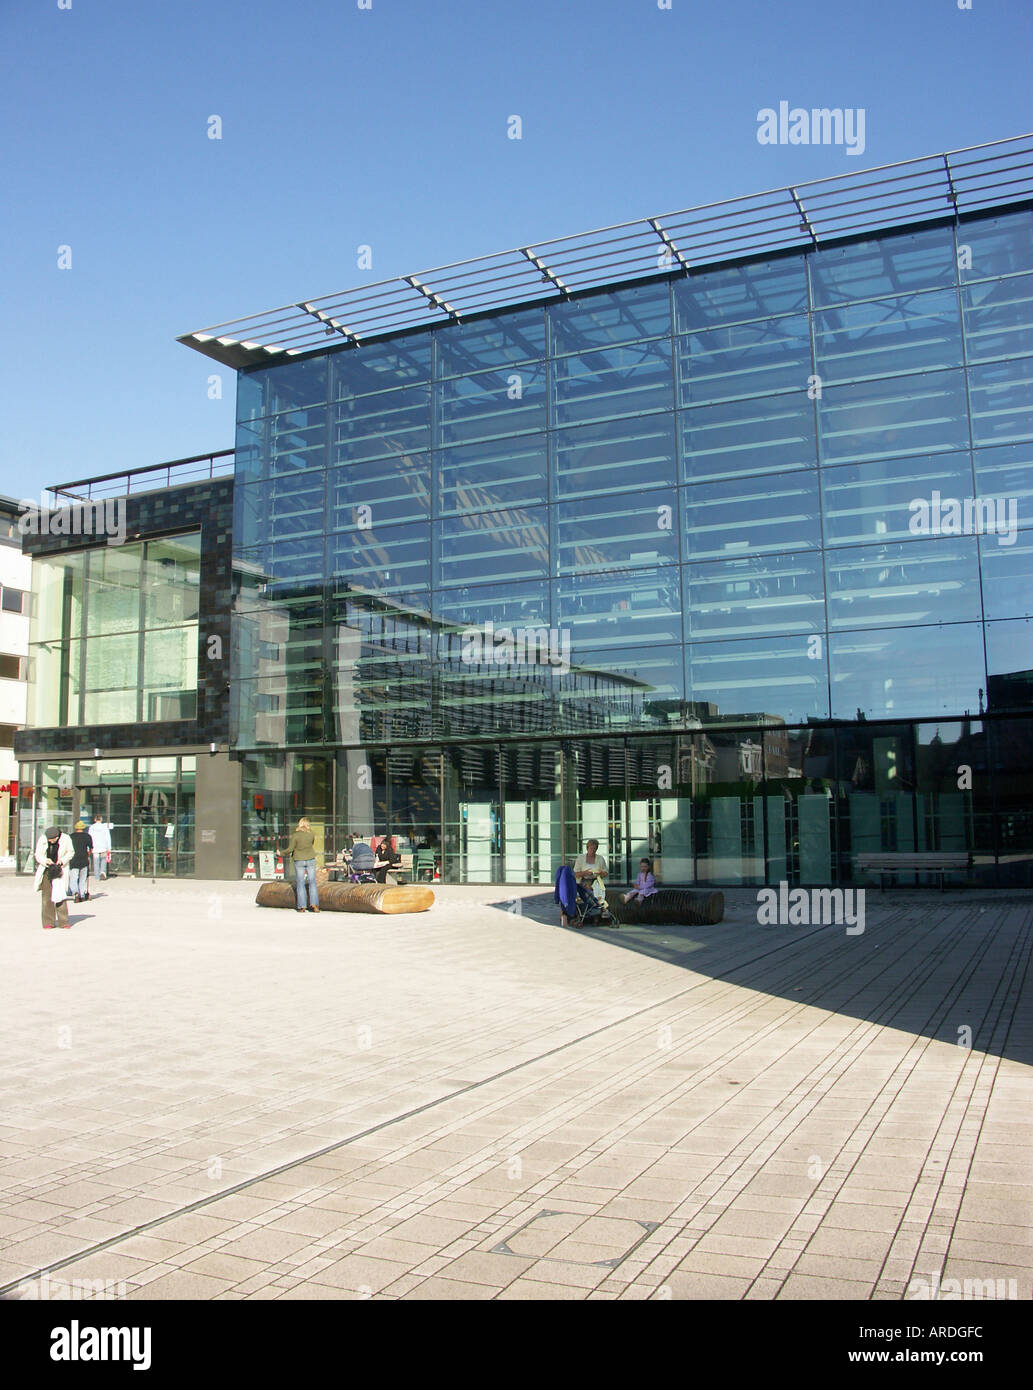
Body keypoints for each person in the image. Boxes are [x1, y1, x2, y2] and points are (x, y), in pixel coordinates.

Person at [34, 825, 73, 929]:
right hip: (47, 869)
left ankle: (63, 922)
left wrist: (62, 860)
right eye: (49, 840)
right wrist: (45, 860)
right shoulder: (43, 838)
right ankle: (48, 922)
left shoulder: (66, 838)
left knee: (60, 895)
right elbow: (38, 854)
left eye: (52, 840)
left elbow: (71, 852)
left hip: (60, 869)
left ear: (57, 837)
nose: (50, 842)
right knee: (46, 896)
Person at [572, 838, 610, 925]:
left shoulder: (600, 859)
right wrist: (585, 873)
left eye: (594, 849)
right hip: (583, 881)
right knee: (586, 894)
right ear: (587, 848)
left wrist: (600, 873)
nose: (592, 850)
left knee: (597, 894)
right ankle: (584, 915)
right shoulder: (580, 858)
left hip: (596, 880)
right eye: (591, 848)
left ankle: (596, 917)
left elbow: (605, 873)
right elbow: (575, 874)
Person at [286, 816, 320, 914]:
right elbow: (311, 844)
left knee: (300, 883)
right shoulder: (311, 834)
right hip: (310, 859)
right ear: (308, 825)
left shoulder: (295, 835)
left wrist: (281, 853)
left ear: (299, 824)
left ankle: (302, 907)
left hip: (299, 860)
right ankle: (315, 905)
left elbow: (290, 849)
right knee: (312, 882)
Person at [68, 820, 93, 903]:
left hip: (74, 860)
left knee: (73, 878)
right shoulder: (87, 836)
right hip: (84, 859)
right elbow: (91, 848)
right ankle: (82, 894)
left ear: (75, 828)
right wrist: (87, 855)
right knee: (83, 878)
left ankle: (75, 893)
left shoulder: (71, 837)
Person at [88, 814, 113, 880]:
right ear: (101, 819)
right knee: (103, 860)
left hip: (95, 847)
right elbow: (108, 837)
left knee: (96, 862)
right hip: (103, 847)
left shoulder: (91, 827)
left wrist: (89, 847)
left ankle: (97, 876)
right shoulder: (104, 827)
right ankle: (103, 871)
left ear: (95, 820)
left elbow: (89, 838)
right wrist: (109, 847)